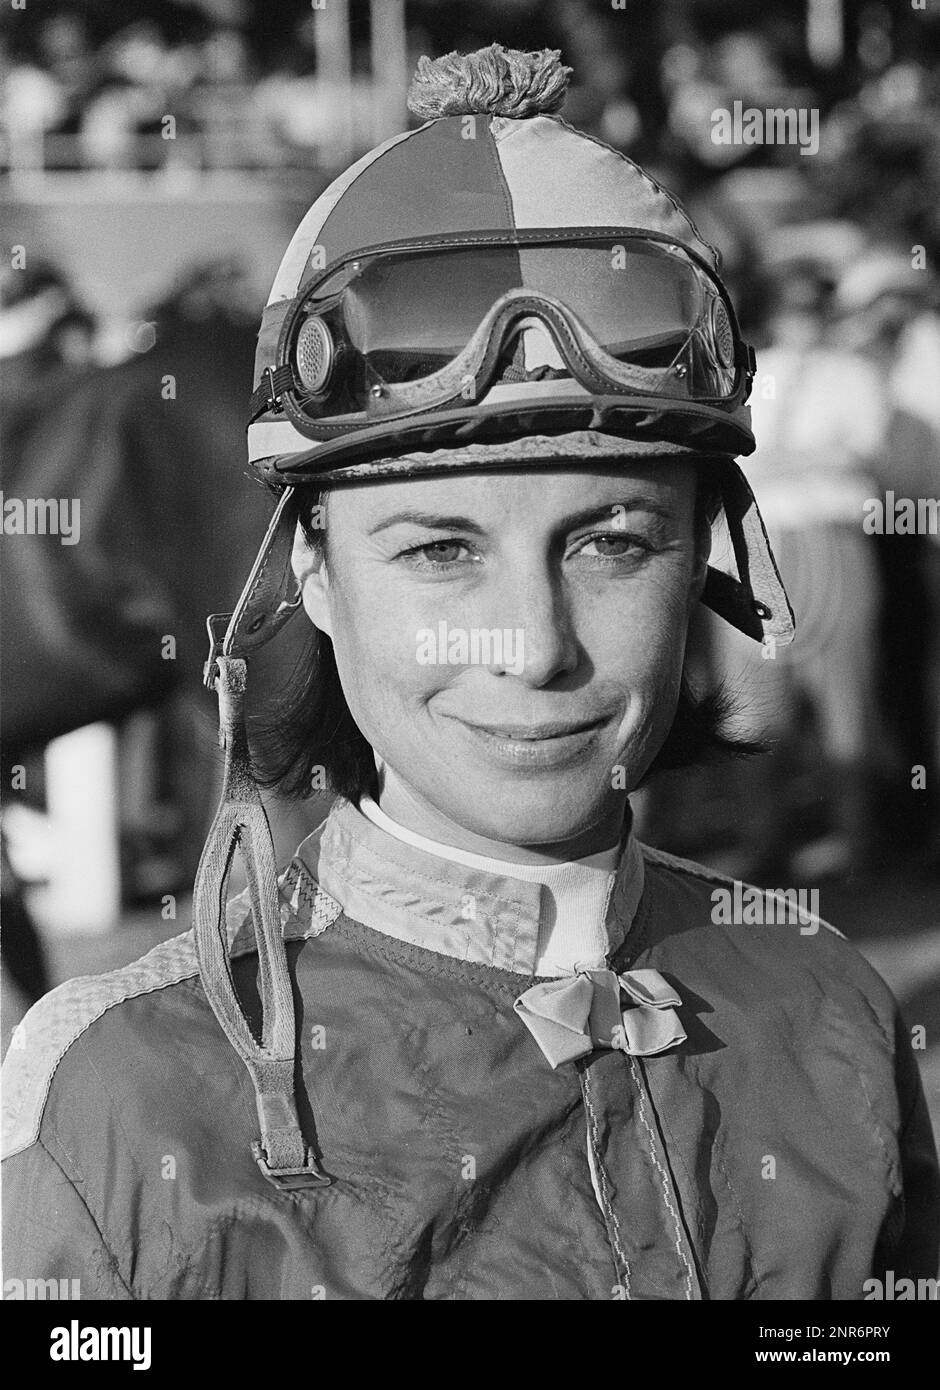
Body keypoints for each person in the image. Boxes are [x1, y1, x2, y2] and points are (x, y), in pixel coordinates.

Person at [2, 44, 937, 1302]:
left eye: (609, 541)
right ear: (313, 580)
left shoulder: (838, 1005)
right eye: (440, 549)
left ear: (706, 559)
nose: (535, 646)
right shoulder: (111, 1088)